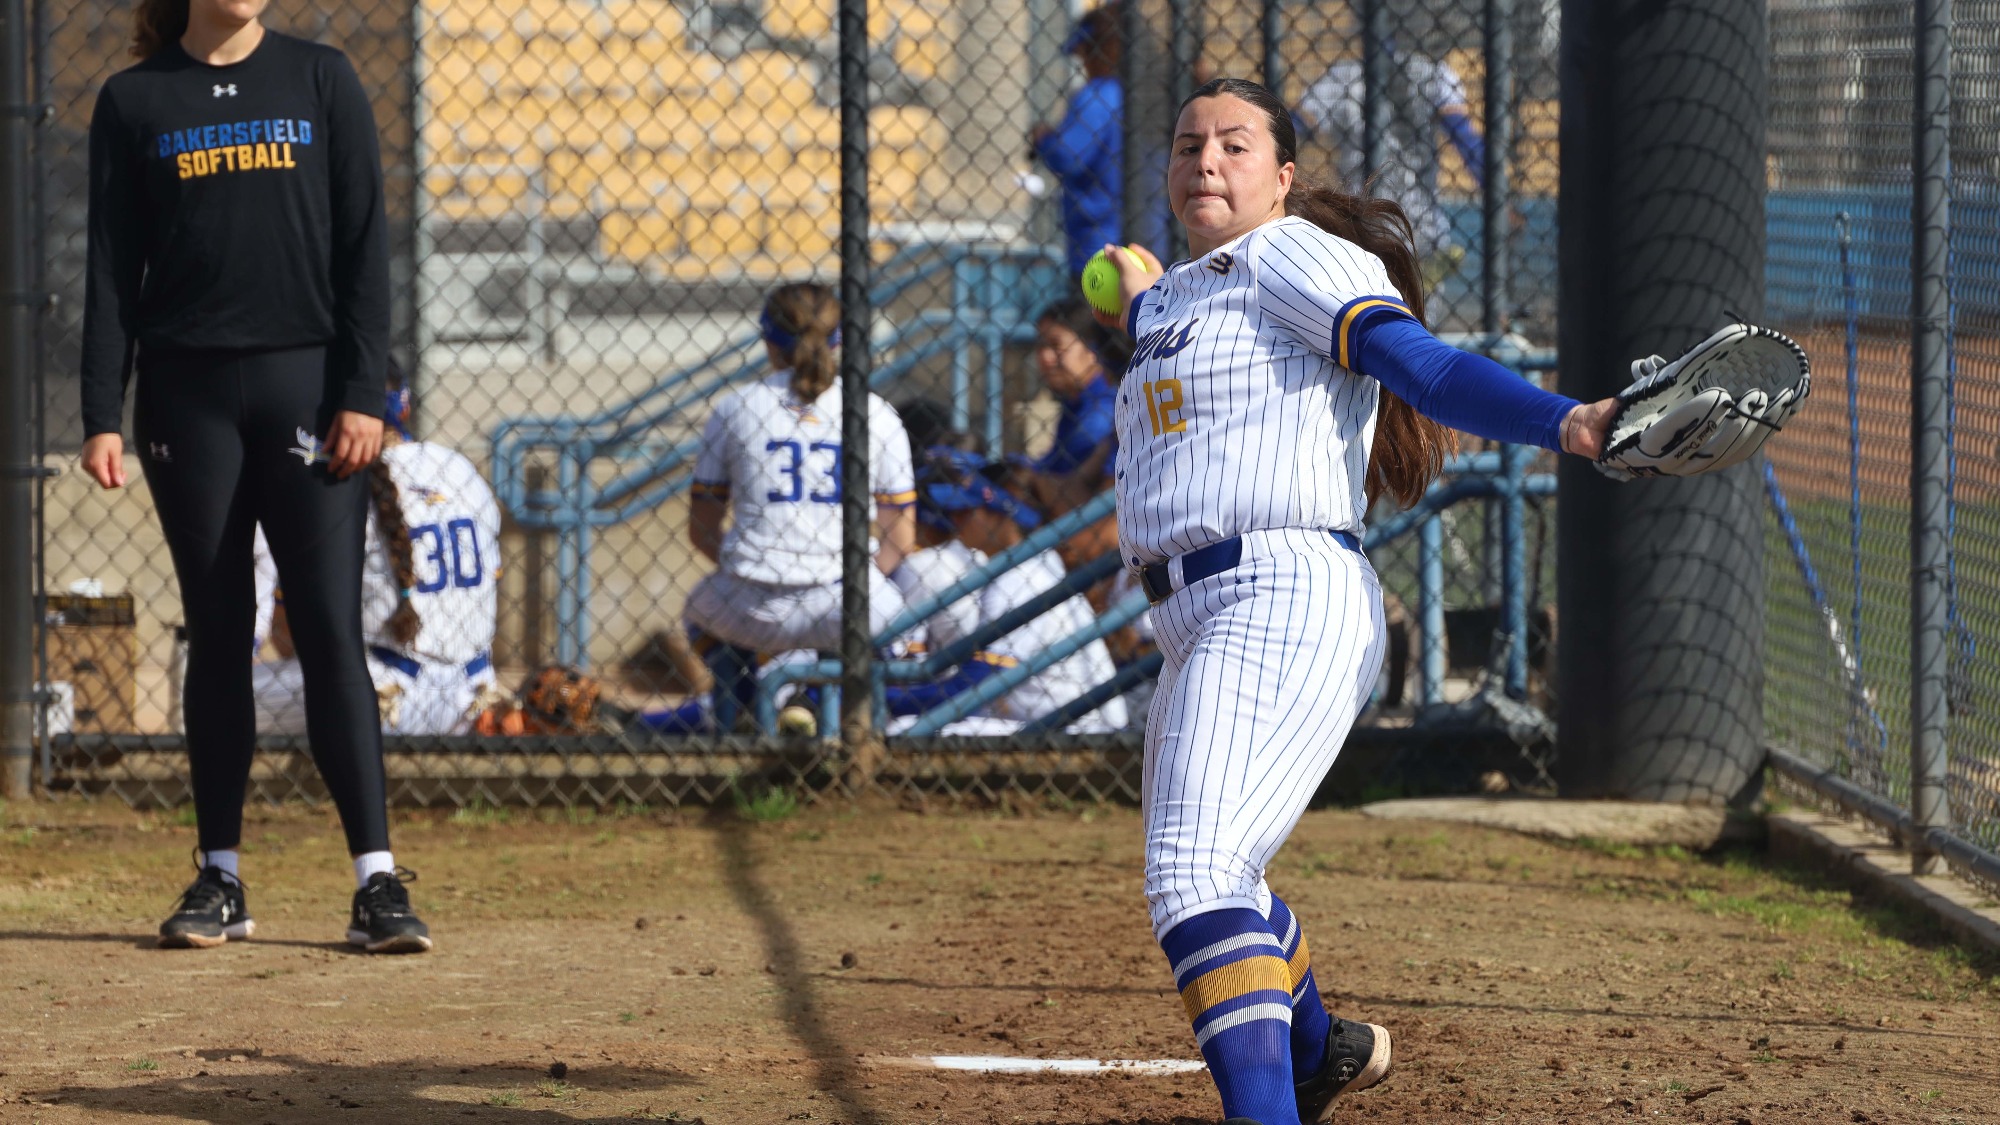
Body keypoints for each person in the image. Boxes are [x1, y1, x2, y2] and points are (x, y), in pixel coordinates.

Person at [1095, 78, 1614, 1125]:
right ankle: (1317, 1047)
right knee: (1220, 868)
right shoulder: (1171, 298)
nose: (1205, 159)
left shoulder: (1293, 253)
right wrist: (1151, 300)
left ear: (1283, 177)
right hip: (1195, 614)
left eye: (1234, 145)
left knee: (1193, 876)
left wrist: (1564, 422)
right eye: (1188, 143)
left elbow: (1418, 366)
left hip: (1276, 587)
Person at [77, 0, 430, 953]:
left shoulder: (323, 79)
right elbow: (110, 266)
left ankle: (378, 884)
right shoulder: (133, 99)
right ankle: (220, 878)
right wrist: (100, 411)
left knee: (325, 627)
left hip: (308, 394)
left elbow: (365, 247)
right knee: (221, 628)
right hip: (186, 400)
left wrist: (363, 393)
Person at [680, 282, 918, 729]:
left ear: (767, 341)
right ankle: (823, 706)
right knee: (899, 624)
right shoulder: (875, 412)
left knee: (697, 610)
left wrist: (751, 564)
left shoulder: (734, 408)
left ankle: (745, 704)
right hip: (845, 599)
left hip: (749, 604)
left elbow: (702, 529)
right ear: (840, 340)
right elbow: (899, 538)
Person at [252, 377, 502, 737]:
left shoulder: (333, 486)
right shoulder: (458, 466)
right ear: (404, 407)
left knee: (208, 697)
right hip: (473, 699)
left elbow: (289, 637)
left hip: (381, 701)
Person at [884, 455, 1127, 735]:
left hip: (1078, 729)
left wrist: (876, 699)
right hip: (1053, 723)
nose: (955, 518)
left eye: (968, 509)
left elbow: (971, 692)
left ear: (1000, 513)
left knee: (899, 728)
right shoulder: (1027, 567)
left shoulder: (1023, 579)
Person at [1295, 36, 1485, 268]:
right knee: (1419, 298)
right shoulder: (1433, 72)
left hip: (1361, 223)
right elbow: (1465, 139)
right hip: (1418, 224)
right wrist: (1496, 195)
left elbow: (1296, 126)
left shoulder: (1344, 76)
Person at [1031, 4, 1126, 277]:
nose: (1083, 62)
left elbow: (1068, 156)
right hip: (1143, 235)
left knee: (1074, 317)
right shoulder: (1139, 94)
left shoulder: (1099, 96)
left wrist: (1044, 140)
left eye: (1085, 52)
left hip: (1097, 242)